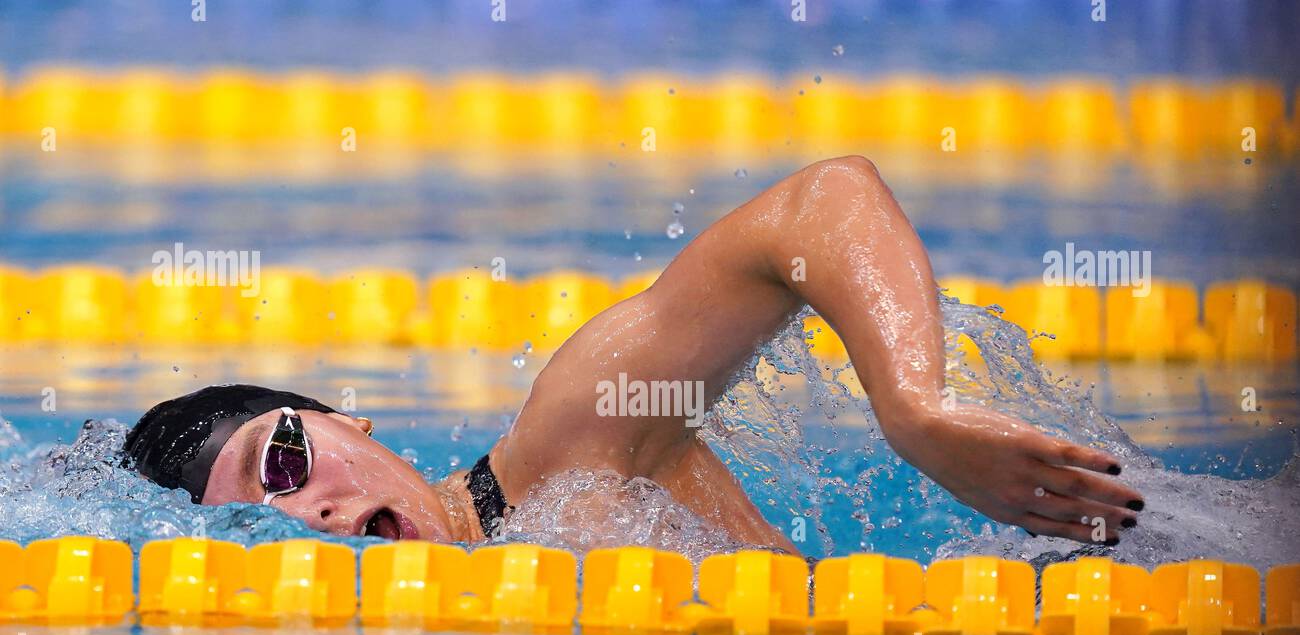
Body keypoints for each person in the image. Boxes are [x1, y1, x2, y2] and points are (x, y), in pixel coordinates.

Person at [124, 157, 1144, 554]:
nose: (313, 509)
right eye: (271, 521)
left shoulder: (570, 439)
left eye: (287, 459)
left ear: (353, 421)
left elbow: (818, 204)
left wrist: (913, 410)